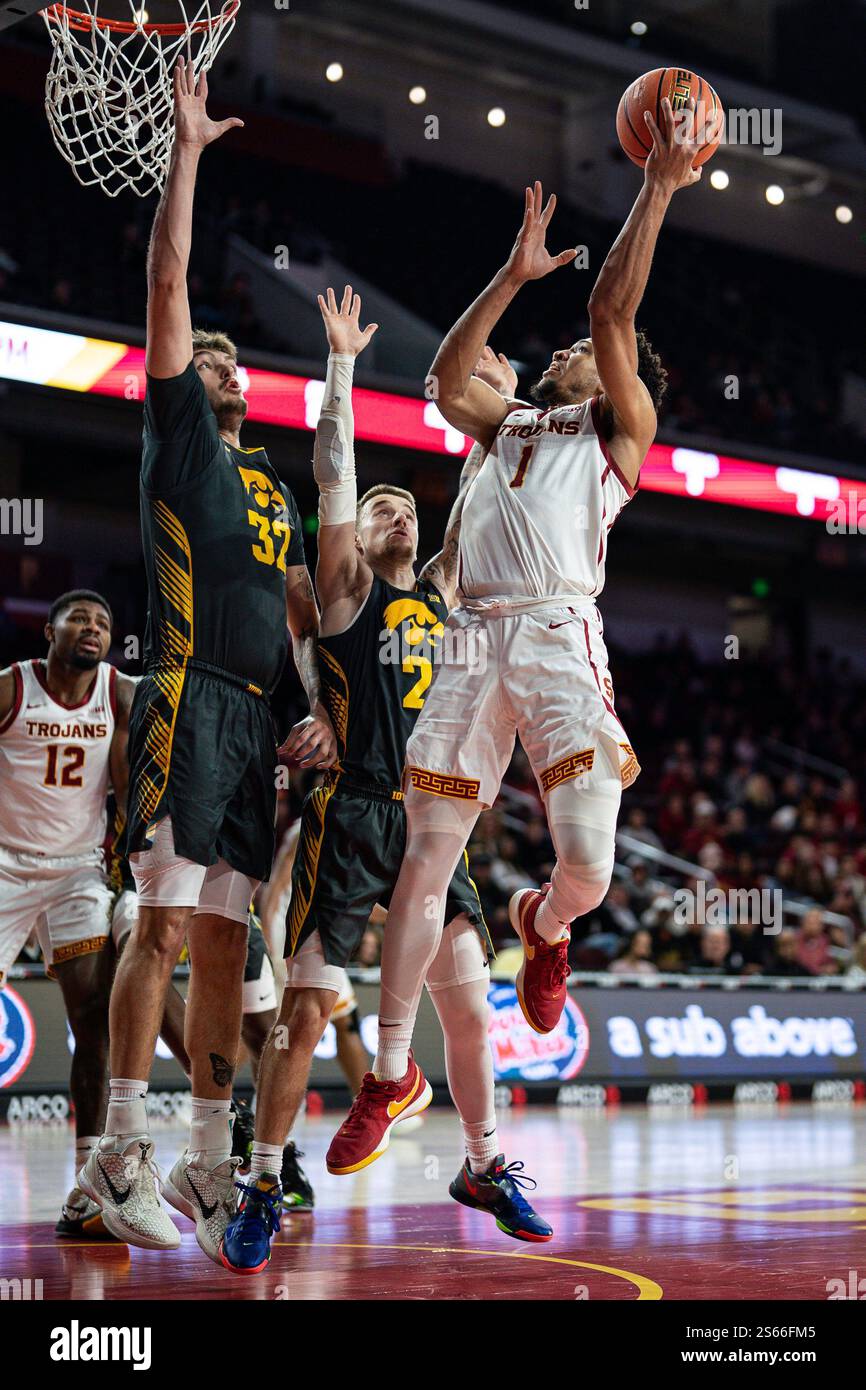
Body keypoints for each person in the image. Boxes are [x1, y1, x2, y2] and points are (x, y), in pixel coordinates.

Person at [326, 95, 722, 1174]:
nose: (561, 346)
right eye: (555, 343)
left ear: (622, 374)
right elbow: (449, 375)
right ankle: (387, 1073)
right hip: (465, 642)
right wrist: (509, 272)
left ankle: (542, 926)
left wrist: (656, 185)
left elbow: (605, 313)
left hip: (553, 637)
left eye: (588, 349)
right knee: (422, 862)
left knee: (586, 873)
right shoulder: (504, 421)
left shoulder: (616, 426)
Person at [220, 288, 552, 1274]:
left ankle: (484, 1161)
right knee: (309, 1008)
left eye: (406, 505)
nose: (394, 511)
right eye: (381, 508)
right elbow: (332, 468)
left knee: (468, 1007)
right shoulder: (345, 588)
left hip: (435, 820)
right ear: (357, 539)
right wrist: (340, 367)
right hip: (353, 813)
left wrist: (494, 396)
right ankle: (263, 1178)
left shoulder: (446, 590)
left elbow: (483, 477)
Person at [79, 61, 335, 1262]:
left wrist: (321, 711)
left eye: (239, 362)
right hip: (183, 696)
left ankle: (205, 1147)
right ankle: (113, 1154)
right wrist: (186, 152)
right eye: (214, 357)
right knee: (165, 927)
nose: (228, 366)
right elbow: (169, 278)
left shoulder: (274, 489)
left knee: (234, 940)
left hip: (255, 723)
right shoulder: (178, 433)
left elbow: (301, 615)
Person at [0, 590, 135, 1238]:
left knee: (92, 1015)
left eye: (104, 621)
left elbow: (181, 696)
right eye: (80, 617)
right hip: (4, 864)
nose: (93, 627)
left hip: (79, 869)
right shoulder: (12, 687)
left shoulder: (117, 691)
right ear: (48, 629)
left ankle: (86, 1190)